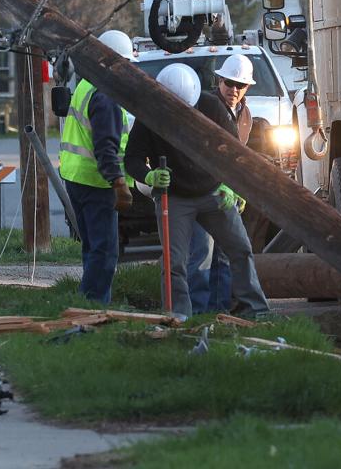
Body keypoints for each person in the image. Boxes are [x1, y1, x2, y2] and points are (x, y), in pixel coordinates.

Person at [124, 63, 269, 319]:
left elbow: (233, 150)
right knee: (174, 261)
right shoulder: (150, 113)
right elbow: (132, 158)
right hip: (175, 197)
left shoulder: (211, 107)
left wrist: (232, 185)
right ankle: (178, 315)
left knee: (240, 248)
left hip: (213, 192)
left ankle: (255, 309)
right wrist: (148, 175)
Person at [58, 29, 135, 304]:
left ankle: (88, 302)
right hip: (97, 183)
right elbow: (106, 147)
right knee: (104, 252)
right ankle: (93, 307)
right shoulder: (106, 96)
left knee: (92, 249)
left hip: (76, 178)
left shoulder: (86, 85)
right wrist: (119, 183)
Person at [187, 54, 255, 314]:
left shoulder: (245, 114)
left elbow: (238, 156)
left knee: (226, 255)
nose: (234, 90)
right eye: (229, 83)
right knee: (202, 253)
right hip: (203, 191)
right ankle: (198, 314)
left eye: (241, 85)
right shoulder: (206, 106)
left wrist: (237, 187)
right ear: (219, 81)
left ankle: (220, 313)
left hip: (226, 194)